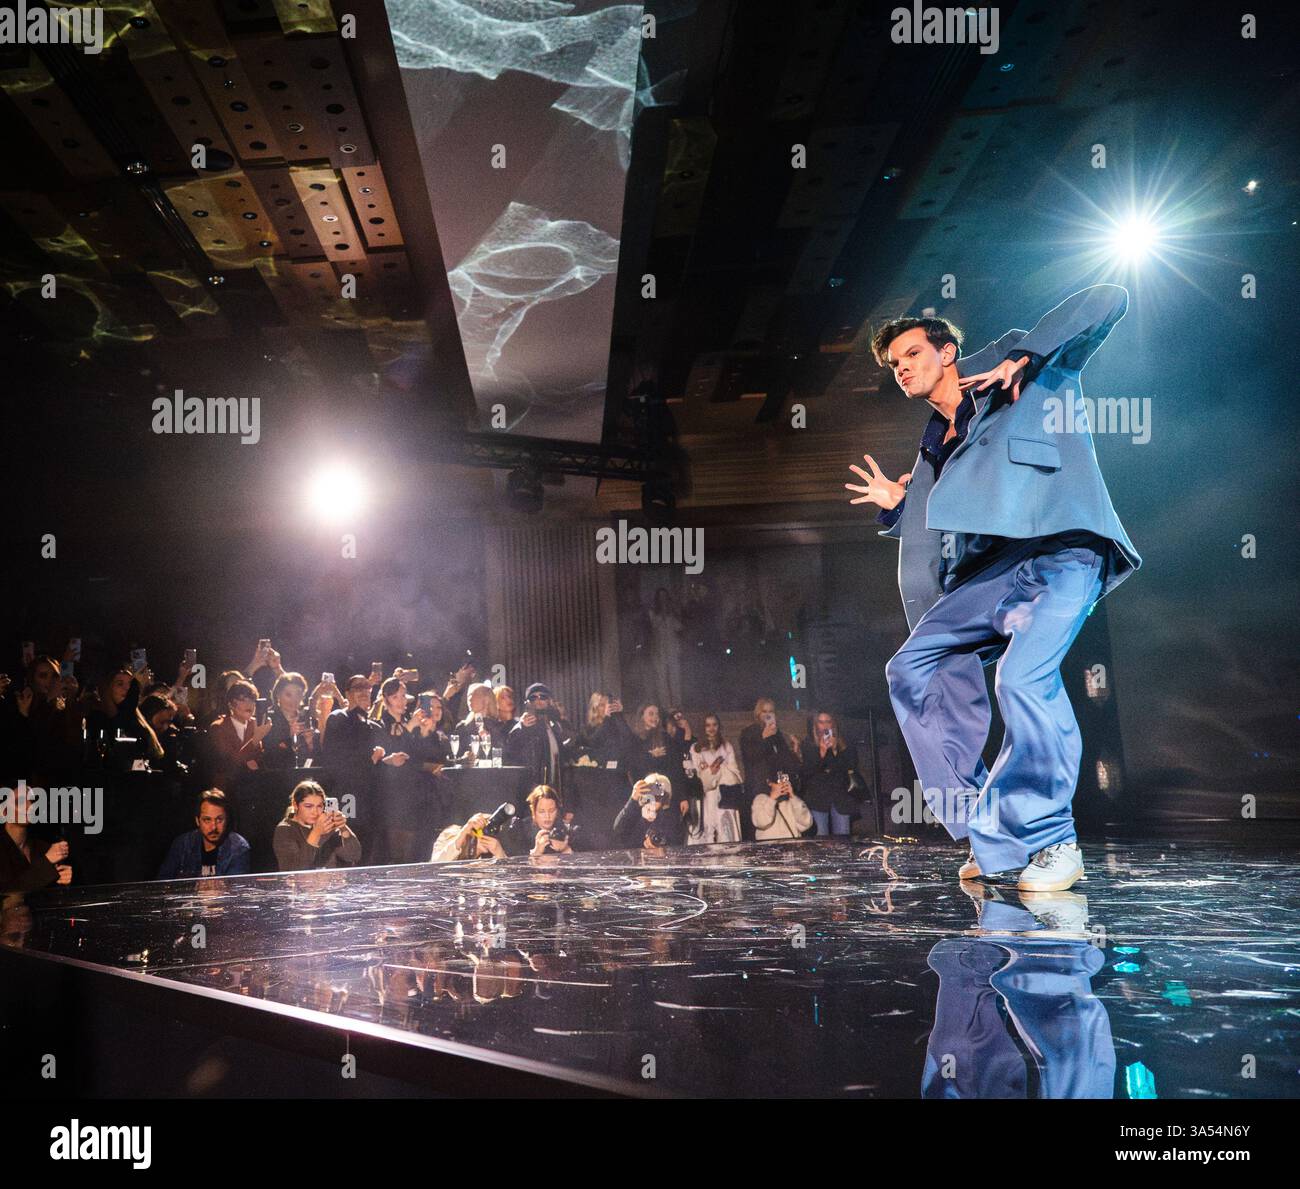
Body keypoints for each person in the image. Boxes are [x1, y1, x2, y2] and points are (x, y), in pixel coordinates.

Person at [853, 287, 1141, 891]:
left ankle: (1053, 840)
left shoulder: (1024, 368)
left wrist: (1031, 352)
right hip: (993, 572)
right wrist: (901, 506)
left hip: (1063, 552)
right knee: (912, 669)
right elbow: (948, 522)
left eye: (910, 353)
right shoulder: (934, 444)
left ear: (947, 350)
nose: (902, 367)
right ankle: (991, 829)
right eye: (894, 365)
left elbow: (1107, 298)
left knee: (1021, 679)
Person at [157, 790, 251, 879]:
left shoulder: (238, 847)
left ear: (227, 820)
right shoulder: (183, 844)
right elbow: (163, 883)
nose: (213, 827)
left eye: (219, 820)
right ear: (198, 821)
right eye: (207, 820)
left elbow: (234, 891)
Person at [273, 780, 361, 871]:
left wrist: (342, 827)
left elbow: (353, 856)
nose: (315, 812)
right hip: (302, 884)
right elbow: (295, 868)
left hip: (330, 883)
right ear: (295, 804)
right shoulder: (285, 830)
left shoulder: (326, 825)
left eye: (319, 806)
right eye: (308, 806)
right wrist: (316, 833)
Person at [0, 782, 72, 892]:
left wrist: (64, 879)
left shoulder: (43, 847)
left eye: (32, 801)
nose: (30, 806)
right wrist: (47, 862)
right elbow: (7, 893)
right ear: (4, 812)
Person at [203, 679, 272, 791]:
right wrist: (255, 740)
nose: (249, 704)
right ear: (231, 704)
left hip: (252, 783)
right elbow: (231, 762)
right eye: (243, 700)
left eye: (252, 700)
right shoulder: (218, 727)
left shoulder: (254, 724)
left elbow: (258, 760)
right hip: (227, 785)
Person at [800, 710, 860, 837]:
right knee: (821, 838)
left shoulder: (843, 742)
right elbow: (808, 771)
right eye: (821, 722)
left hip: (840, 797)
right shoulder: (808, 744)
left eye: (828, 721)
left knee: (843, 838)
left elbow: (851, 765)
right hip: (818, 798)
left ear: (833, 723)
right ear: (815, 725)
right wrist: (821, 753)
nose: (825, 725)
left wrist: (835, 750)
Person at [503, 683, 574, 787]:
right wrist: (522, 726)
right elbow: (510, 749)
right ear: (527, 702)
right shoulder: (525, 724)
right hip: (532, 786)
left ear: (549, 701)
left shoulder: (554, 725)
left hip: (554, 785)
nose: (538, 700)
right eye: (533, 697)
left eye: (543, 697)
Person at [688, 713, 743, 844]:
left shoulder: (726, 746)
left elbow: (735, 775)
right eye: (708, 725)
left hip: (724, 796)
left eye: (714, 725)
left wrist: (718, 771)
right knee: (707, 833)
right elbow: (697, 777)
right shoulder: (696, 748)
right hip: (705, 798)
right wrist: (709, 773)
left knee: (726, 833)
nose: (711, 728)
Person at [612, 774, 686, 851]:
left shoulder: (670, 815)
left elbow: (676, 841)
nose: (652, 800)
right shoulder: (635, 810)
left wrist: (662, 848)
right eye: (649, 795)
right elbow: (619, 832)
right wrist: (633, 800)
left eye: (657, 797)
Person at [504, 785, 580, 857]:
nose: (547, 816)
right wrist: (536, 852)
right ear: (533, 811)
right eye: (542, 811)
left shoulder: (567, 831)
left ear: (557, 810)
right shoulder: (521, 831)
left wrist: (565, 849)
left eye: (551, 811)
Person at [262, 671, 316, 770]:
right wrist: (289, 736)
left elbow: (315, 756)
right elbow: (268, 754)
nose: (294, 700)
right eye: (288, 695)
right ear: (278, 695)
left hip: (305, 774)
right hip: (278, 775)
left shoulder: (307, 718)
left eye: (298, 694)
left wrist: (311, 745)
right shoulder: (268, 719)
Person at [751, 771, 813, 841]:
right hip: (770, 847)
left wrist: (793, 797)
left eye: (785, 780)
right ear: (769, 783)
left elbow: (806, 823)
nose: (782, 784)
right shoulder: (761, 799)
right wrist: (772, 799)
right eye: (779, 781)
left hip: (792, 846)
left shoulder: (792, 801)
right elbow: (761, 823)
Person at [430, 812, 508, 863]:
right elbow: (436, 865)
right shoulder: (450, 834)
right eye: (484, 830)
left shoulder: (493, 856)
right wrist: (464, 832)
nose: (489, 835)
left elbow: (509, 880)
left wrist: (500, 854)